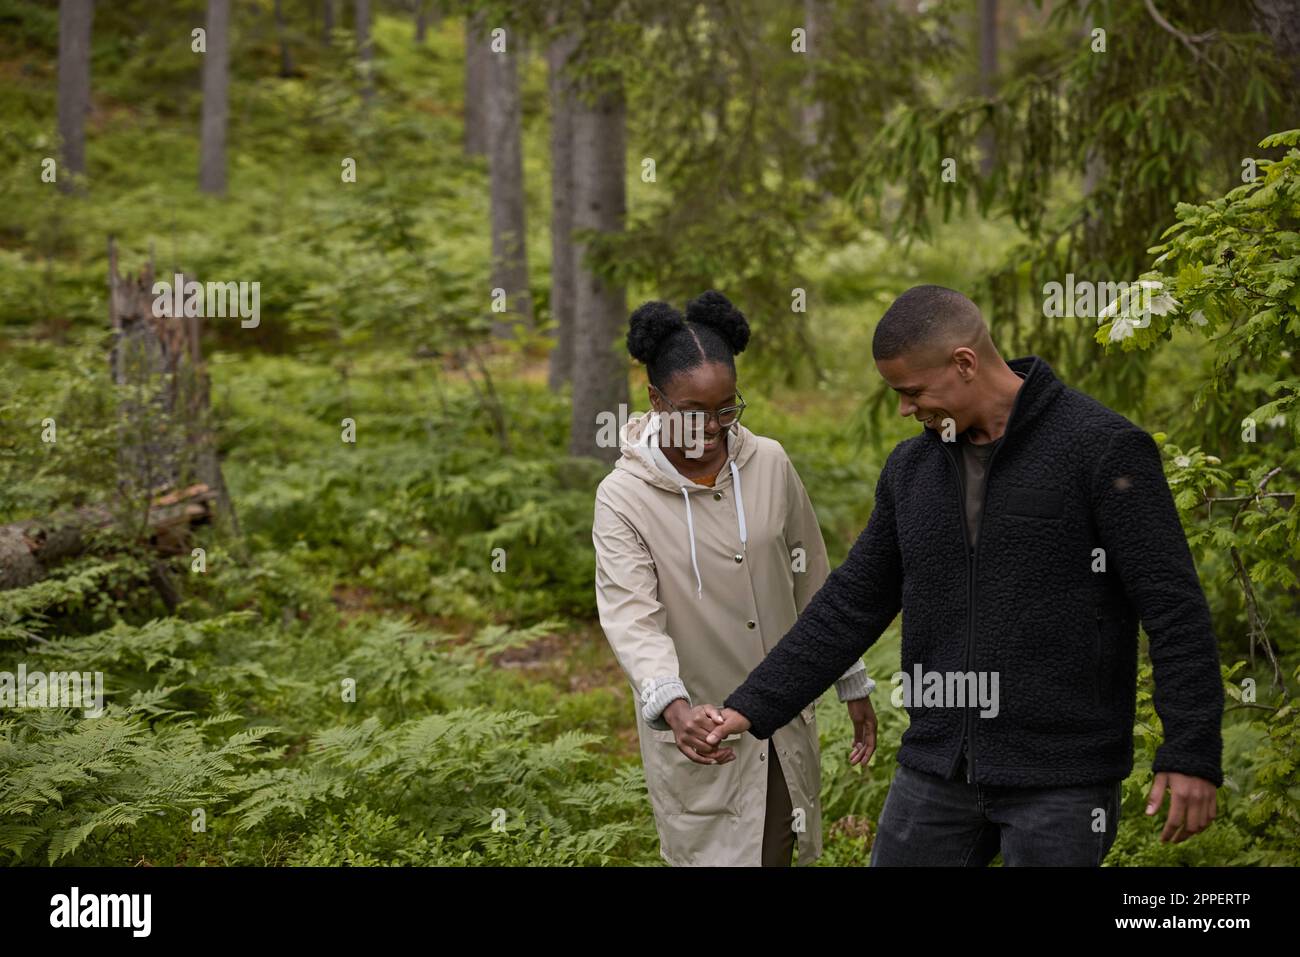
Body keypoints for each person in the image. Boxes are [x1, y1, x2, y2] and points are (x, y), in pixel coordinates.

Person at [706, 284, 1224, 866]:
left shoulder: (1101, 450)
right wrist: (750, 706)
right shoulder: (912, 470)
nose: (905, 409)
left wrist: (1190, 751)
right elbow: (851, 603)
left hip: (1061, 778)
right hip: (936, 767)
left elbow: (1174, 609)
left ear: (965, 363)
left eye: (912, 391)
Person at [592, 290, 878, 867]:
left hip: (780, 715)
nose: (714, 428)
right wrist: (674, 707)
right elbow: (631, 618)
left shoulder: (769, 462)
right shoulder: (622, 498)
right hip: (700, 730)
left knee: (776, 846)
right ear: (654, 399)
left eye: (727, 409)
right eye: (695, 412)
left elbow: (814, 579)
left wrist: (850, 680)